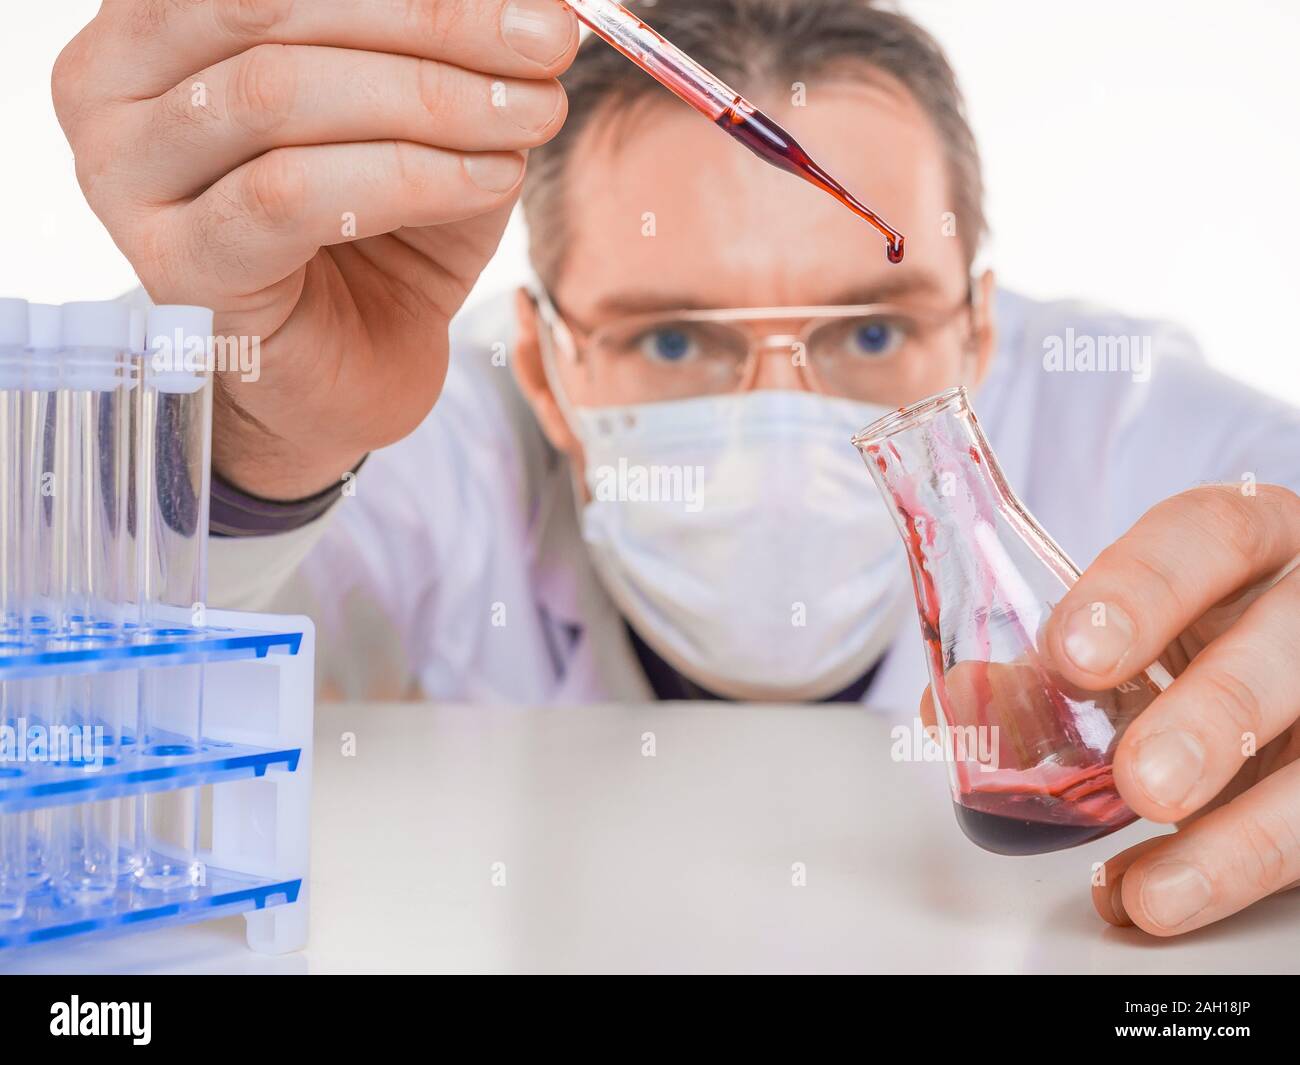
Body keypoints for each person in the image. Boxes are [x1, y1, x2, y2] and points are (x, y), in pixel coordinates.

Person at [52, 0, 1300, 938]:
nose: (780, 416)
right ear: (539, 364)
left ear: (980, 331)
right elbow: (70, 703)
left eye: (868, 332)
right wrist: (257, 452)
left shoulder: (1128, 420)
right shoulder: (421, 436)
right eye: (670, 338)